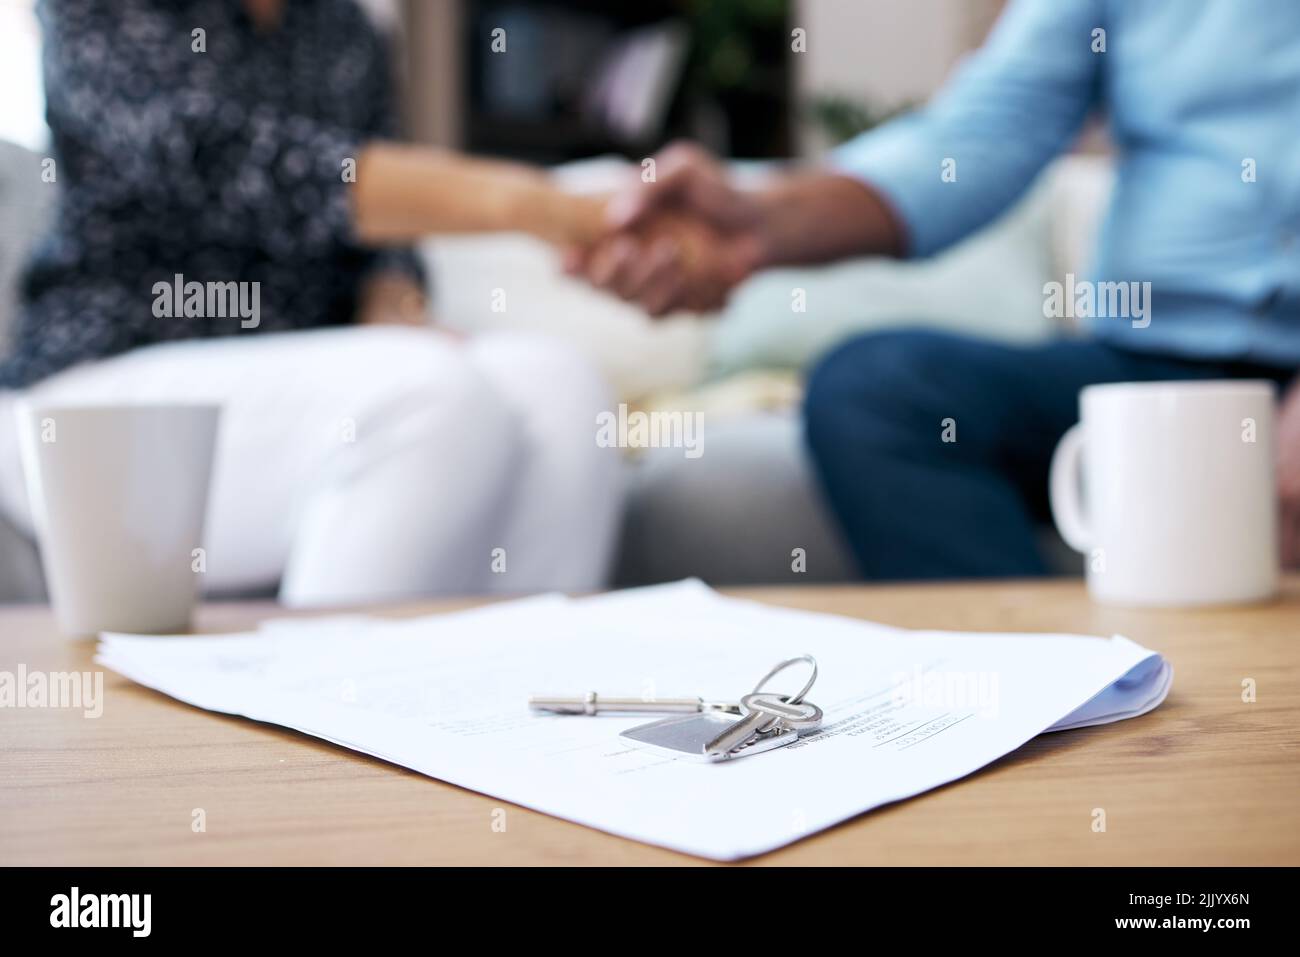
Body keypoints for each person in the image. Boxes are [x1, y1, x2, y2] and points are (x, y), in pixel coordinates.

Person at [0, 0, 715, 604]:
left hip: (305, 377)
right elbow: (223, 159)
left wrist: (391, 296)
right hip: (104, 385)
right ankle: (317, 742)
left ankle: (510, 721)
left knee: (564, 386)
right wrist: (538, 206)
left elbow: (386, 239)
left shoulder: (343, 30)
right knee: (427, 396)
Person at [570, 0, 1300, 578]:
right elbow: (982, 135)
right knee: (878, 387)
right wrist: (753, 223)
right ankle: (1051, 695)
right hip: (1147, 362)